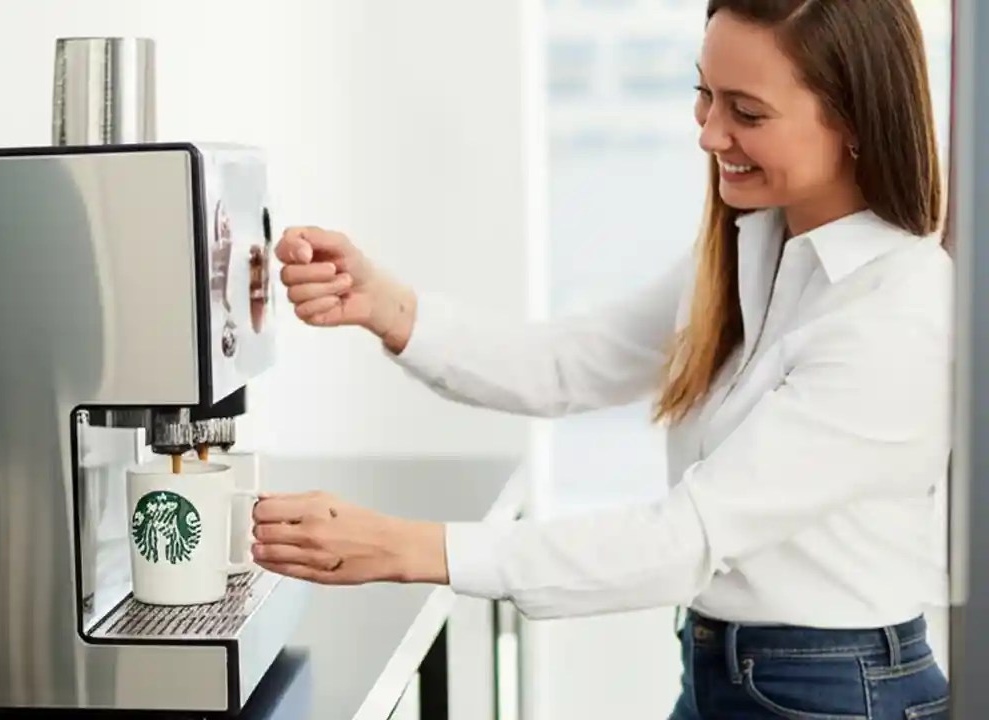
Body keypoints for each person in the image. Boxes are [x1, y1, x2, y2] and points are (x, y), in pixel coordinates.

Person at [250, 0, 954, 717]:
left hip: (838, 692)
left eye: (747, 111)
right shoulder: (757, 246)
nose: (711, 135)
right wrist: (385, 306)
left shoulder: (894, 314)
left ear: (857, 119)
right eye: (704, 96)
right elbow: (570, 364)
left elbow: (686, 537)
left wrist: (411, 549)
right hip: (727, 672)